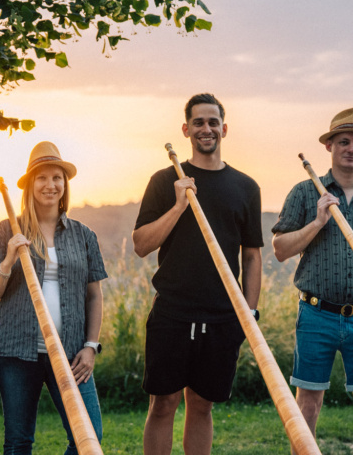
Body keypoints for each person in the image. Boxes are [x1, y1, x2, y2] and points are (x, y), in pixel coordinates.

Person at [132, 93, 263, 455]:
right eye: (199, 122)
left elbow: (252, 257)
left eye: (213, 122)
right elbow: (141, 244)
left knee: (202, 406)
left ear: (224, 128)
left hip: (223, 316)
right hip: (172, 311)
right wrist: (178, 206)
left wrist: (248, 314)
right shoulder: (164, 180)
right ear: (186, 129)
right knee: (163, 405)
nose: (207, 129)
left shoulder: (246, 187)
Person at [271, 108, 353, 455]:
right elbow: (280, 248)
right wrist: (316, 222)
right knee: (308, 405)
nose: (351, 148)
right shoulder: (305, 192)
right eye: (343, 141)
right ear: (329, 145)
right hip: (316, 314)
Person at [0, 141, 106, 455]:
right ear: (30, 184)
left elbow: (94, 295)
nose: (50, 185)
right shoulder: (7, 231)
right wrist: (8, 260)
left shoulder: (83, 235)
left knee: (88, 436)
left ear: (65, 184)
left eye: (57, 178)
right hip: (16, 353)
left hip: (71, 352)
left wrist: (90, 347)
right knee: (19, 442)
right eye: (42, 178)